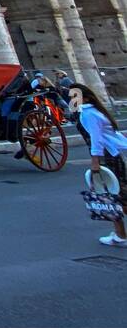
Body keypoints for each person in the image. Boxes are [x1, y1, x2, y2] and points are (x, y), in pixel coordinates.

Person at [70, 83, 127, 247]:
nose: (72, 100)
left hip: (105, 157)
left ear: (86, 98)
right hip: (111, 155)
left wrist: (95, 160)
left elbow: (97, 138)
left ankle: (121, 235)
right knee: (116, 195)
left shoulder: (89, 114)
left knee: (111, 196)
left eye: (75, 97)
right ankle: (120, 234)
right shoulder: (93, 111)